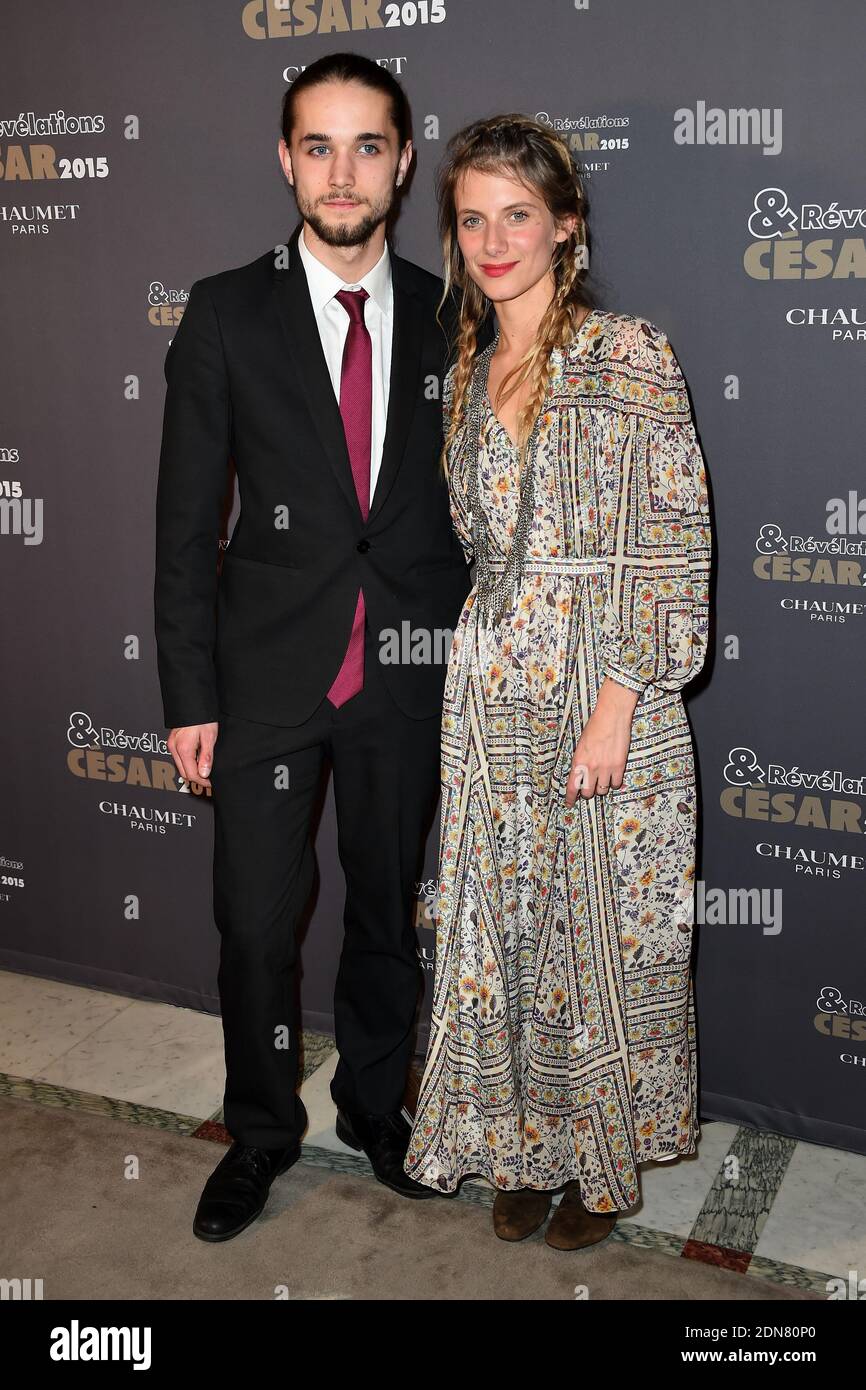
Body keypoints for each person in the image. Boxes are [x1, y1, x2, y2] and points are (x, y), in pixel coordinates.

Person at [154, 53, 485, 1243]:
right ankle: (258, 1132)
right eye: (316, 145)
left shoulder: (460, 315)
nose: (340, 172)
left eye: (366, 146)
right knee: (254, 920)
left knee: (390, 912)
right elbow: (187, 526)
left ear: (404, 162)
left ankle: (377, 1114)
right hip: (263, 679)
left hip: (407, 668)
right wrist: (187, 693)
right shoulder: (223, 310)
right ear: (283, 159)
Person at [404, 115, 712, 1251]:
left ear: (565, 224)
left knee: (601, 933)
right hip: (489, 692)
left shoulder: (628, 353)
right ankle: (521, 1147)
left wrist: (620, 698)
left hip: (603, 690)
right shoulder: (465, 370)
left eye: (516, 215)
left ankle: (596, 1163)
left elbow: (674, 541)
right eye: (472, 218)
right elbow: (482, 547)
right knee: (505, 928)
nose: (493, 240)